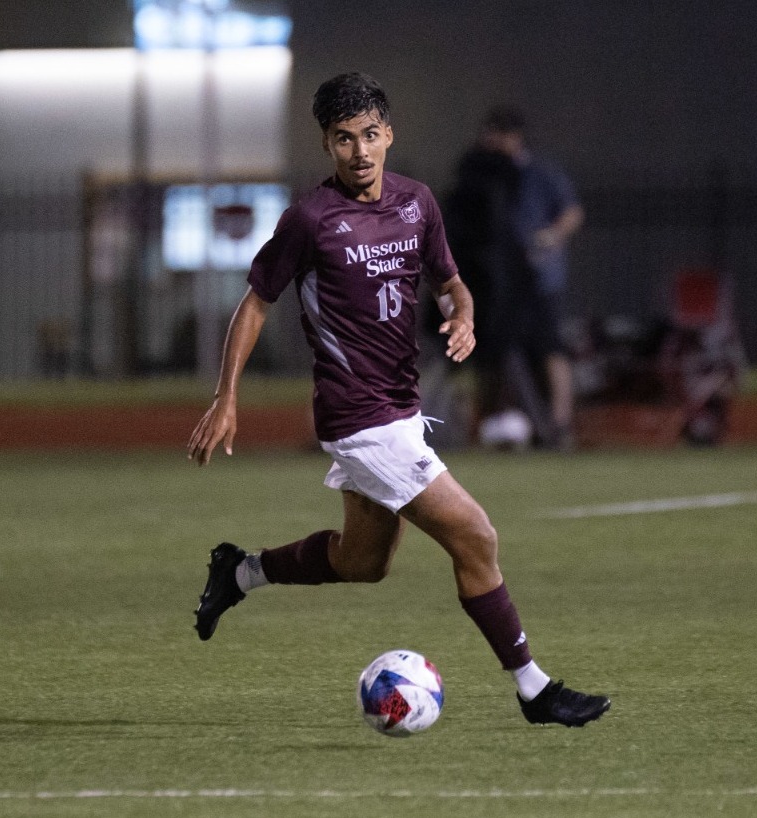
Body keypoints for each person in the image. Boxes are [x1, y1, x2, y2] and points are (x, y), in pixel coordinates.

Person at [186, 72, 609, 727]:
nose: (360, 151)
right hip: (358, 420)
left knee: (363, 563)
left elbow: (450, 281)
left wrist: (462, 314)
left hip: (401, 410)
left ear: (390, 134)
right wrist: (226, 395)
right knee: (475, 535)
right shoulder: (311, 220)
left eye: (370, 135)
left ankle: (238, 573)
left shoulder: (417, 204)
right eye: (344, 139)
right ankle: (535, 689)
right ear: (327, 144)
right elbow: (257, 302)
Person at [447, 106, 584, 449]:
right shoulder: (482, 175)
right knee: (488, 353)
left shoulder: (539, 172)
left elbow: (572, 211)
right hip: (497, 281)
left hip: (539, 279)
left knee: (548, 349)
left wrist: (551, 237)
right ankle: (485, 423)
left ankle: (558, 425)